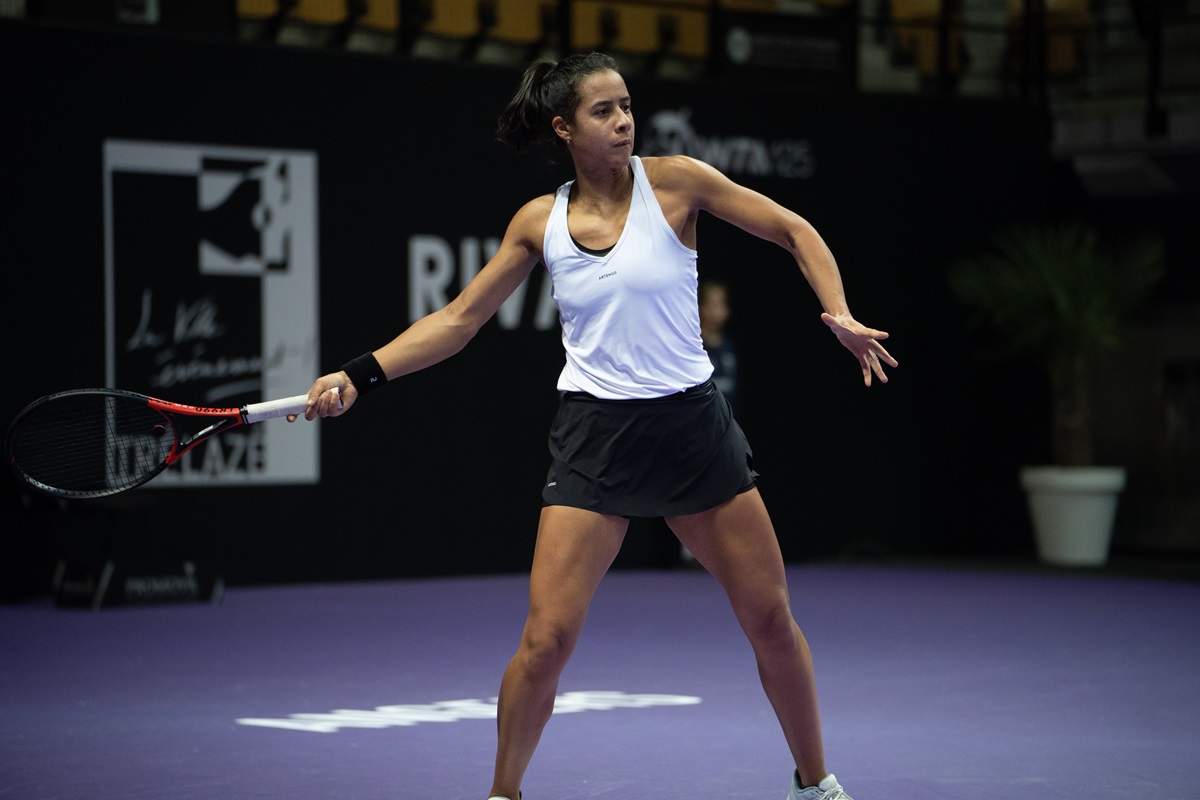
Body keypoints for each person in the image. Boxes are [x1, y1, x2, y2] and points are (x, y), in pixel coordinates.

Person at [293, 52, 897, 800]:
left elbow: (795, 231)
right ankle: (502, 794)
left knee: (771, 619)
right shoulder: (537, 222)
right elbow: (457, 320)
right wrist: (360, 373)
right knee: (545, 643)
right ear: (564, 128)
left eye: (627, 107)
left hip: (691, 429)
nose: (623, 122)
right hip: (595, 441)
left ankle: (816, 784)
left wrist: (837, 313)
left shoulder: (676, 182)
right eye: (604, 112)